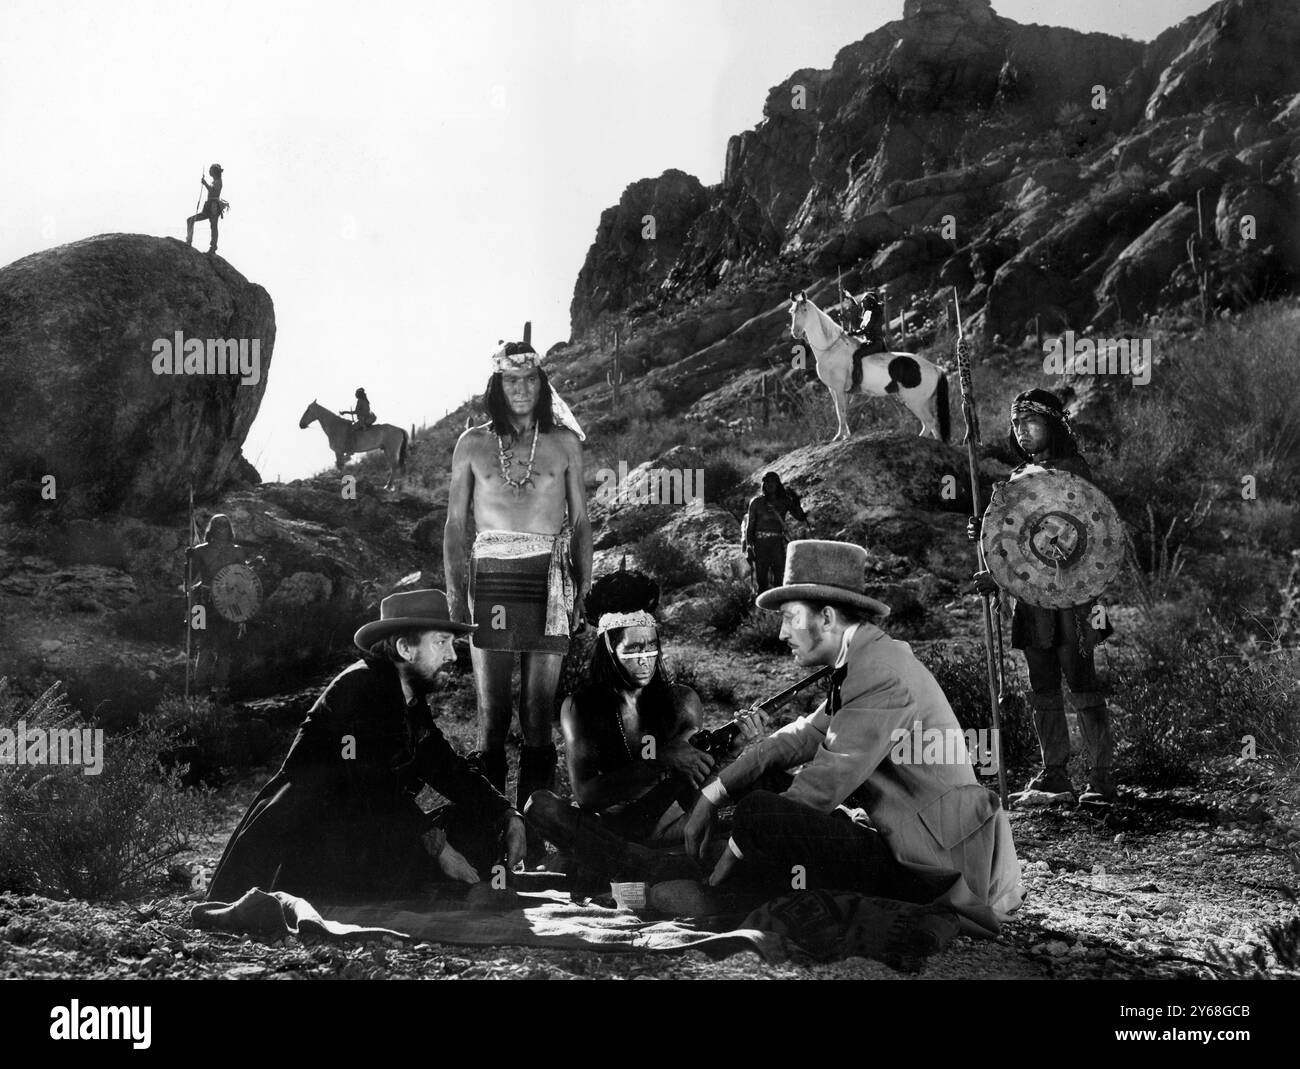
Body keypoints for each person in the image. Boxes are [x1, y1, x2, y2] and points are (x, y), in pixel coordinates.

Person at [683, 539, 1024, 934]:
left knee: (762, 811)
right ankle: (735, 885)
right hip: (917, 849)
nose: (780, 633)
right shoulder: (865, 657)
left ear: (826, 617)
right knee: (768, 783)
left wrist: (736, 849)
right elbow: (807, 734)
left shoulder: (879, 671)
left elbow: (823, 785)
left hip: (937, 872)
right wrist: (714, 793)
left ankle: (721, 891)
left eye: (790, 618)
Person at [206, 589, 525, 902]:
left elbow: (446, 767)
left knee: (479, 822)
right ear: (404, 648)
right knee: (438, 848)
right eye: (441, 642)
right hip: (312, 838)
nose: (452, 656)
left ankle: (435, 882)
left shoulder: (409, 696)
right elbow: (373, 786)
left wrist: (506, 813)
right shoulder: (361, 686)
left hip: (366, 827)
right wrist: (440, 848)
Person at [443, 332, 593, 852]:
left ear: (542, 384)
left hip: (549, 580)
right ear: (497, 385)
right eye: (511, 380)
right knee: (492, 717)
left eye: (530, 379)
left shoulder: (564, 444)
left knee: (536, 713)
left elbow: (580, 523)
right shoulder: (471, 445)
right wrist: (453, 591)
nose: (522, 388)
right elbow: (455, 527)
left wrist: (582, 586)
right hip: (490, 581)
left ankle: (534, 834)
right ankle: (489, 835)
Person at [525, 610, 757, 891]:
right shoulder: (582, 706)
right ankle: (652, 867)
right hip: (609, 825)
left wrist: (730, 755)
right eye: (633, 649)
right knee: (539, 806)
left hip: (670, 823)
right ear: (611, 649)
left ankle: (620, 865)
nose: (645, 658)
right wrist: (659, 759)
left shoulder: (682, 701)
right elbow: (586, 796)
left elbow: (698, 786)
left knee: (758, 807)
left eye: (651, 647)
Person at [969, 388, 1116, 803]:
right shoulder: (1017, 477)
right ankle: (1055, 772)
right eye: (1016, 424)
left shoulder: (1074, 473)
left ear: (1052, 424)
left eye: (1031, 423)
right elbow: (1015, 547)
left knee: (1083, 680)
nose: (1023, 432)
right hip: (1031, 602)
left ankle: (1101, 777)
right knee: (1042, 683)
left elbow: (1083, 534)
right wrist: (988, 537)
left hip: (1073, 599)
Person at [187, 514, 258, 697]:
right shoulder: (200, 551)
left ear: (229, 528)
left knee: (225, 647)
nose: (221, 528)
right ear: (211, 528)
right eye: (218, 525)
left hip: (229, 603)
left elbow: (242, 578)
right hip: (202, 603)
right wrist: (188, 561)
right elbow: (189, 579)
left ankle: (220, 689)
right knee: (204, 645)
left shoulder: (237, 551)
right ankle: (199, 689)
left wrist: (243, 609)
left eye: (225, 525)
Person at [742, 472, 809, 593]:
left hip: (777, 544)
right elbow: (749, 527)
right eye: (767, 481)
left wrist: (796, 502)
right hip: (760, 544)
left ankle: (777, 609)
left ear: (778, 484)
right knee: (762, 581)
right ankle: (762, 609)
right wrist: (749, 547)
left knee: (780, 579)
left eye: (773, 481)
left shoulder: (785, 502)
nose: (770, 484)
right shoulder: (756, 502)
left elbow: (800, 517)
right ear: (763, 484)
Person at [186, 164, 226, 254]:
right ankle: (190, 241)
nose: (209, 171)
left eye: (210, 170)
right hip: (211, 206)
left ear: (214, 171)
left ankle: (212, 248)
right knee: (192, 220)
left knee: (213, 226)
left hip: (213, 207)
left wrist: (205, 184)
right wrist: (206, 184)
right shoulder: (216, 181)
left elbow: (213, 191)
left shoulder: (218, 182)